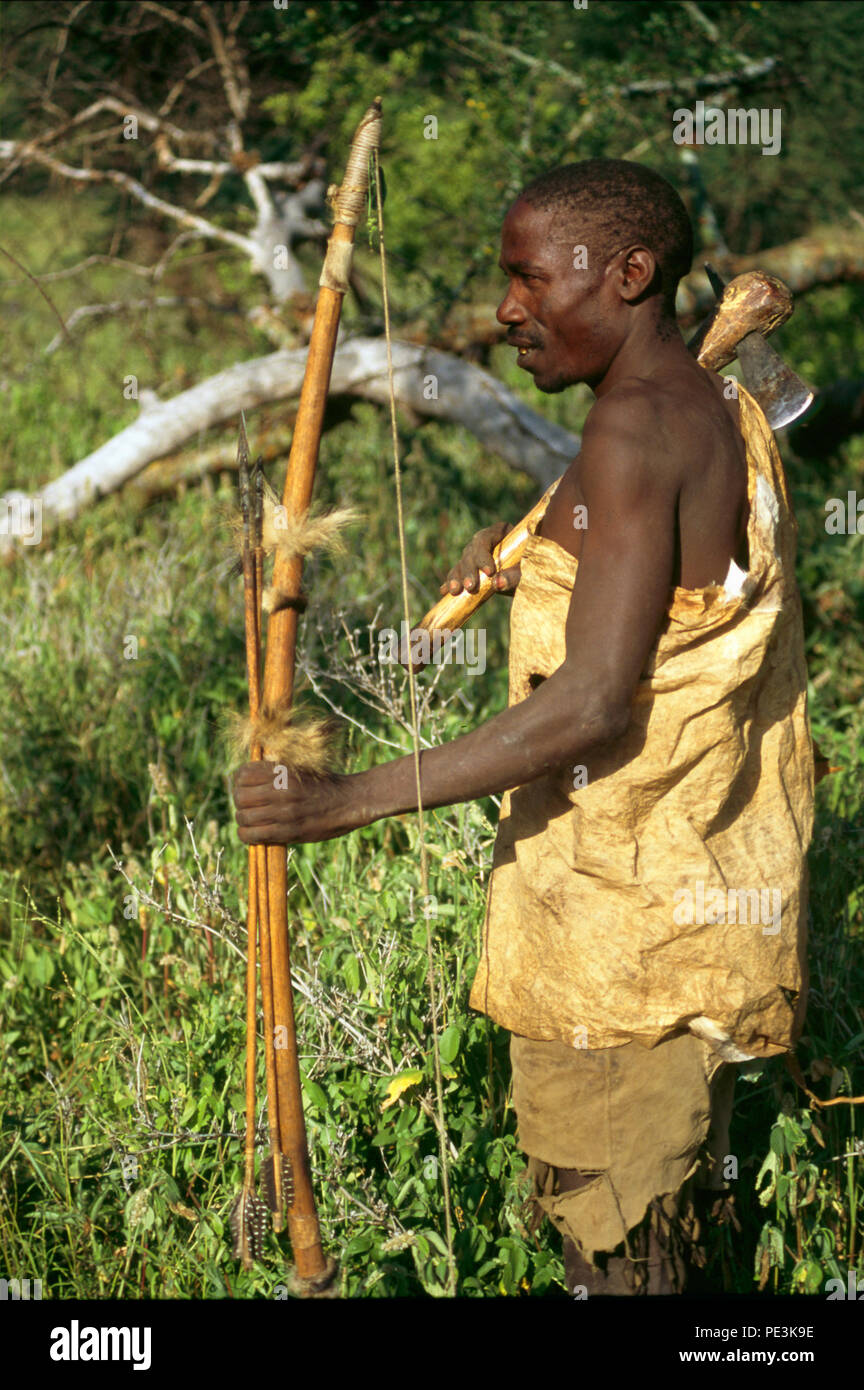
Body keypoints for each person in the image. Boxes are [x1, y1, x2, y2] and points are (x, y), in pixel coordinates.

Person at [233, 159, 815, 1295]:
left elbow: (595, 703)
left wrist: (348, 800)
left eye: (529, 278)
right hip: (692, 926)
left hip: (620, 953)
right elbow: (657, 566)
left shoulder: (634, 430)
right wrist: (546, 549)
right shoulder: (709, 400)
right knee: (674, 1250)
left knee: (620, 1267)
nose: (507, 310)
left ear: (631, 274)